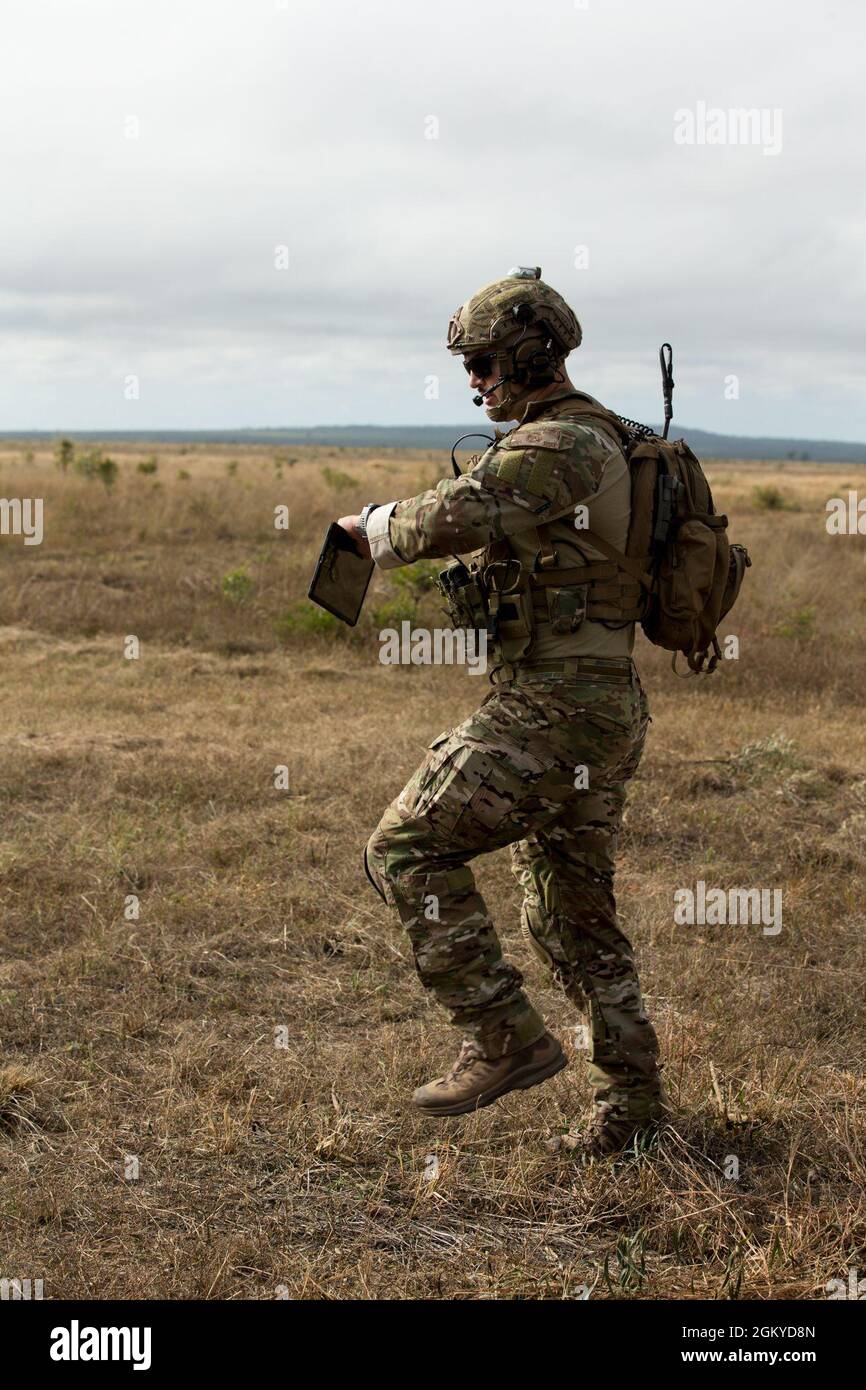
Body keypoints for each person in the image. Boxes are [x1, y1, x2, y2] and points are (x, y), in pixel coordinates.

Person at [338, 267, 666, 1160]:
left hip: (555, 708)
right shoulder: (599, 438)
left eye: (484, 361)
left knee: (404, 845)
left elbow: (455, 515)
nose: (475, 379)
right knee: (572, 916)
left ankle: (503, 1038)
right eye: (468, 365)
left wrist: (372, 525)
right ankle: (632, 1110)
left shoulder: (564, 443)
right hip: (593, 706)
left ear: (530, 352)